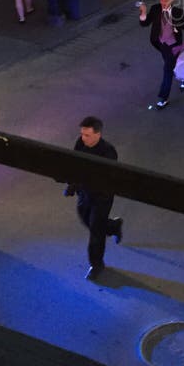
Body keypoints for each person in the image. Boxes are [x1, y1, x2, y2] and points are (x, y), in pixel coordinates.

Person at [64, 116, 122, 281]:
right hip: (85, 193)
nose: (83, 138)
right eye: (82, 134)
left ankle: (97, 264)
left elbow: (107, 178)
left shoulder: (108, 152)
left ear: (98, 134)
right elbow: (76, 165)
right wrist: (72, 185)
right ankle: (113, 226)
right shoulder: (80, 143)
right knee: (87, 220)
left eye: (87, 135)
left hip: (101, 196)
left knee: (96, 230)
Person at [138, 0, 184, 110]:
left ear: (172, 0)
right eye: (162, 0)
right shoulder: (155, 9)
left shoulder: (178, 12)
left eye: (166, 1)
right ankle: (183, 77)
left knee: (167, 69)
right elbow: (145, 23)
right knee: (174, 64)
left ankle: (164, 98)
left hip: (175, 45)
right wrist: (143, 12)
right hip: (161, 44)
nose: (164, 3)